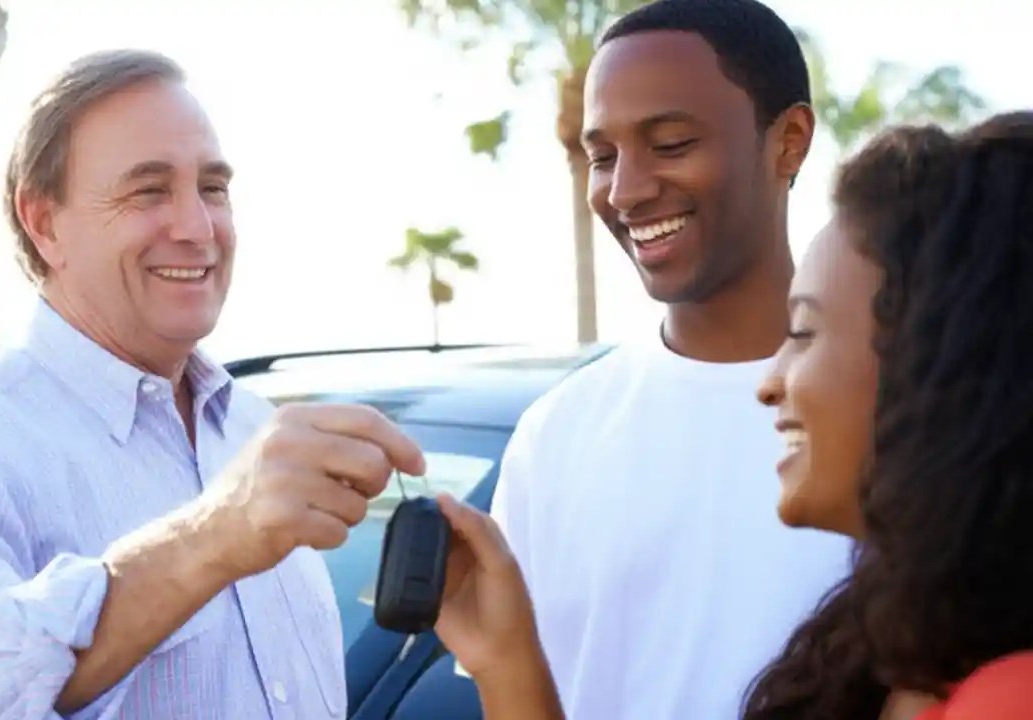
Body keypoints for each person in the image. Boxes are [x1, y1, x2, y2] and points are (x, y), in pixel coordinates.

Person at [0, 49, 426, 720]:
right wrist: (209, 537)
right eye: (149, 190)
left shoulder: (254, 429)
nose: (197, 228)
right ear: (44, 223)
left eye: (212, 187)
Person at [433, 112, 1033, 719]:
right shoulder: (884, 653)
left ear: (943, 360)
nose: (769, 382)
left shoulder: (1005, 699)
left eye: (803, 330)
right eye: (604, 157)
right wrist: (506, 659)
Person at [482, 0, 853, 716]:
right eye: (602, 157)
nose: (625, 190)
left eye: (673, 143)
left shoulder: (897, 416)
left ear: (789, 141)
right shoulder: (553, 435)